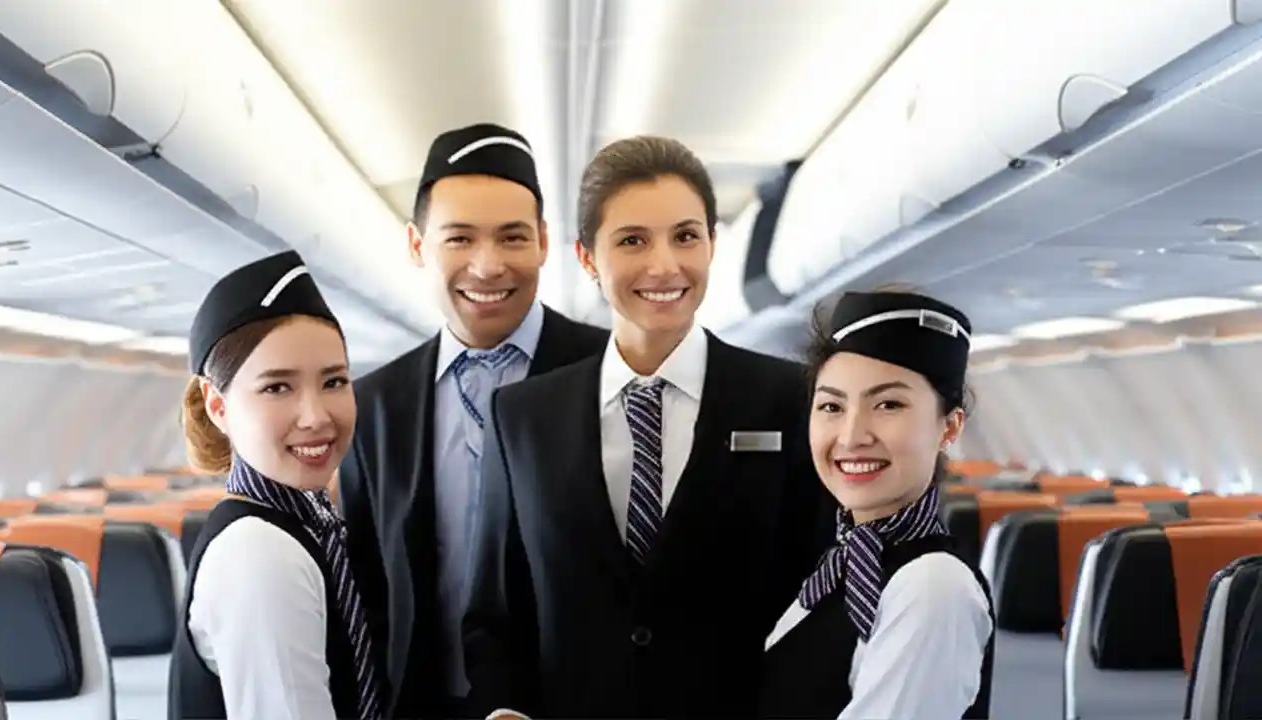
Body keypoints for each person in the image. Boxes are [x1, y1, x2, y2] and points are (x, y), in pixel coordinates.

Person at [463, 136, 836, 718]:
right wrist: (504, 710)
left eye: (685, 236)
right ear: (588, 258)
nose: (664, 265)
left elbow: (820, 596)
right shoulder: (522, 418)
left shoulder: (791, 400)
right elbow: (495, 613)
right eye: (632, 240)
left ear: (712, 244)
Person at [338, 122, 609, 717]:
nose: (487, 267)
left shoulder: (608, 373)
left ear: (543, 242)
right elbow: (368, 592)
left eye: (512, 238)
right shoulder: (375, 407)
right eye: (459, 239)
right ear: (418, 246)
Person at [758, 290, 995, 719]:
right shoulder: (843, 564)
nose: (851, 436)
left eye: (888, 404)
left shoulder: (931, 587)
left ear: (949, 426)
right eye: (831, 406)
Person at [170, 250, 386, 720]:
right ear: (218, 405)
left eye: (334, 382)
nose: (316, 416)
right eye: (277, 387)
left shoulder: (304, 524)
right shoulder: (260, 553)